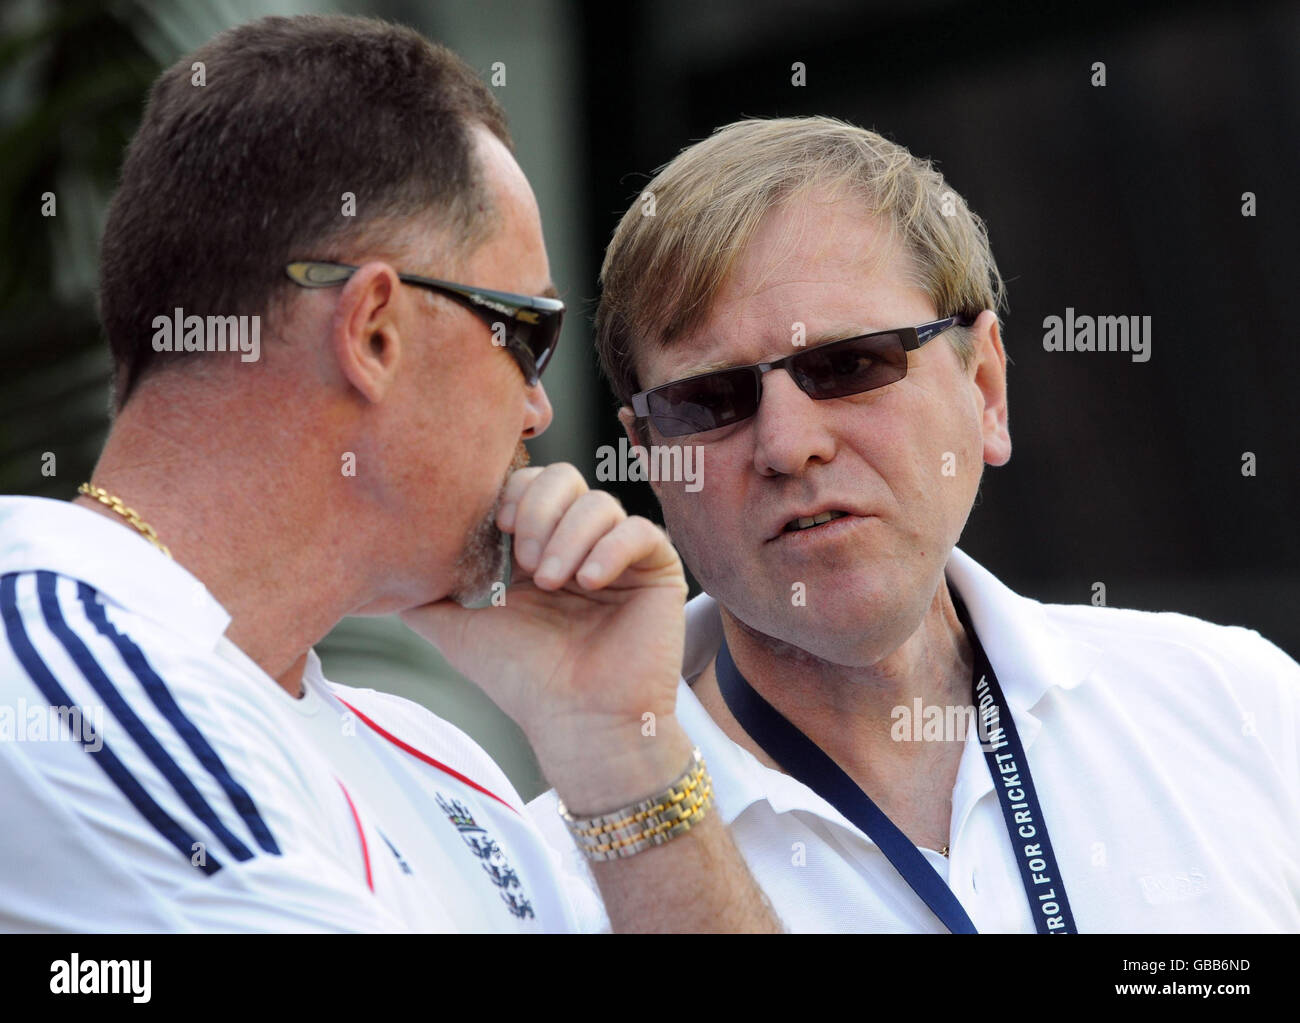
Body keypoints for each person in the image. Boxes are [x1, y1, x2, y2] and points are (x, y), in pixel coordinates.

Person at [0, 15, 778, 933]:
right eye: (526, 335)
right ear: (374, 330)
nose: (541, 411)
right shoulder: (52, 666)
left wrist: (620, 750)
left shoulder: (434, 765)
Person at [528, 115, 1300, 933]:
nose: (789, 446)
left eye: (850, 363)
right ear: (651, 458)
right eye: (709, 401)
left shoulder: (1237, 709)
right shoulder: (547, 882)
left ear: (987, 390)